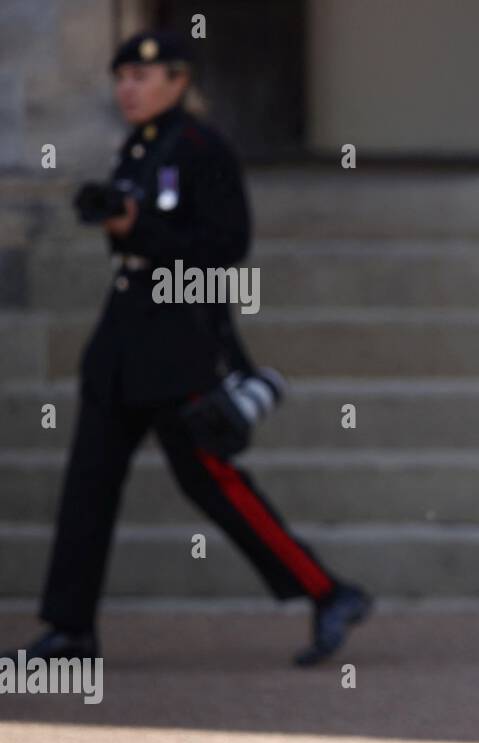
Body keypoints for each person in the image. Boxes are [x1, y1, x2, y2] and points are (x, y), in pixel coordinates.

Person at [1, 30, 370, 668]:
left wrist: (137, 226)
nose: (128, 89)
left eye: (142, 78)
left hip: (179, 346)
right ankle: (70, 629)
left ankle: (328, 591)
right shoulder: (138, 147)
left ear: (178, 80)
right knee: (88, 485)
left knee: (214, 482)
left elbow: (227, 249)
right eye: (121, 78)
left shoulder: (204, 148)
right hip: (120, 342)